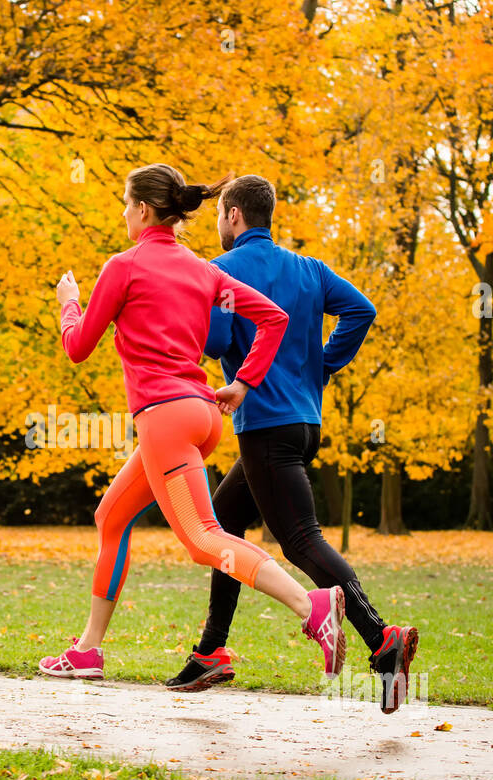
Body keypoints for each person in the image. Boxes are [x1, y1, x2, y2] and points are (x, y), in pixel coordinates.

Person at [38, 163, 348, 683]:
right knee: (111, 518)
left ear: (141, 209)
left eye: (124, 203)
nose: (122, 212)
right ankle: (87, 650)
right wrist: (243, 384)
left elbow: (78, 347)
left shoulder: (124, 266)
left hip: (164, 419)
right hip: (204, 415)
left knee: (203, 537)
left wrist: (70, 305)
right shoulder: (203, 270)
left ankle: (312, 607)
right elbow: (275, 318)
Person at [164, 174, 419, 714]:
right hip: (304, 422)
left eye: (219, 215)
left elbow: (213, 342)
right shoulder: (309, 269)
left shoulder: (220, 272)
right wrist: (320, 366)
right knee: (224, 526)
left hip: (264, 425)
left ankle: (382, 639)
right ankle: (212, 650)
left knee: (301, 541)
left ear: (232, 215)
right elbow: (361, 311)